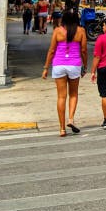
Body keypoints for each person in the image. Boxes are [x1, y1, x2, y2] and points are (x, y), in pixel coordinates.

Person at [42, 9, 87, 137]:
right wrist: (85, 66)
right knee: (73, 94)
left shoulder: (57, 31)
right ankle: (71, 119)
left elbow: (51, 50)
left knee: (61, 97)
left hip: (59, 65)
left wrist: (46, 68)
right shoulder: (81, 31)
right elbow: (83, 50)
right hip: (74, 65)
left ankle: (62, 129)